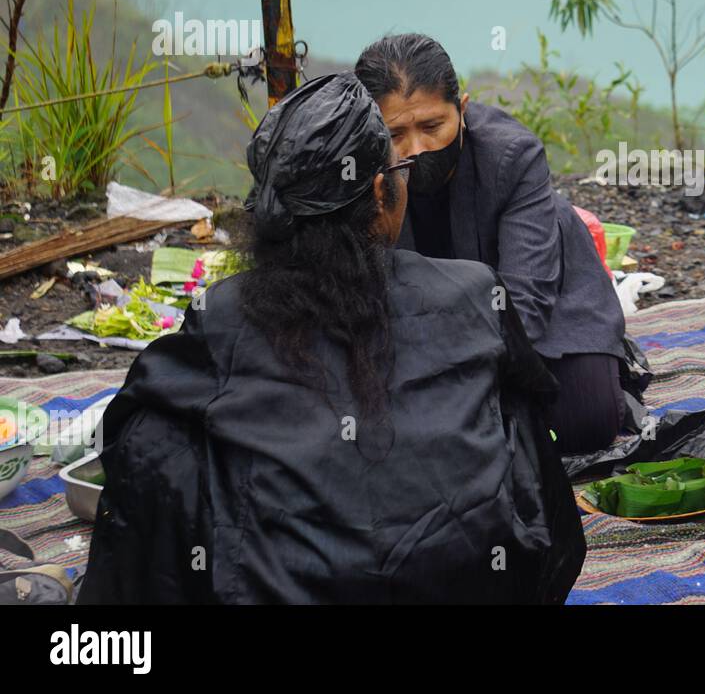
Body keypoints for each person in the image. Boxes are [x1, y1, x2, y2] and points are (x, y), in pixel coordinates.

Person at [78, 73, 585, 603]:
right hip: (473, 584)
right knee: (516, 409)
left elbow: (129, 424)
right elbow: (536, 420)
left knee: (156, 436)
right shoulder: (475, 291)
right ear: (378, 191)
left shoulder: (222, 315)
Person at [355, 34, 637, 456]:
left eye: (433, 126)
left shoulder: (511, 157)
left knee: (586, 420)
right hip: (413, 320)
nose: (417, 149)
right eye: (395, 133)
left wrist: (451, 376)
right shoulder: (358, 165)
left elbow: (525, 302)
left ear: (462, 110)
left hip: (530, 305)